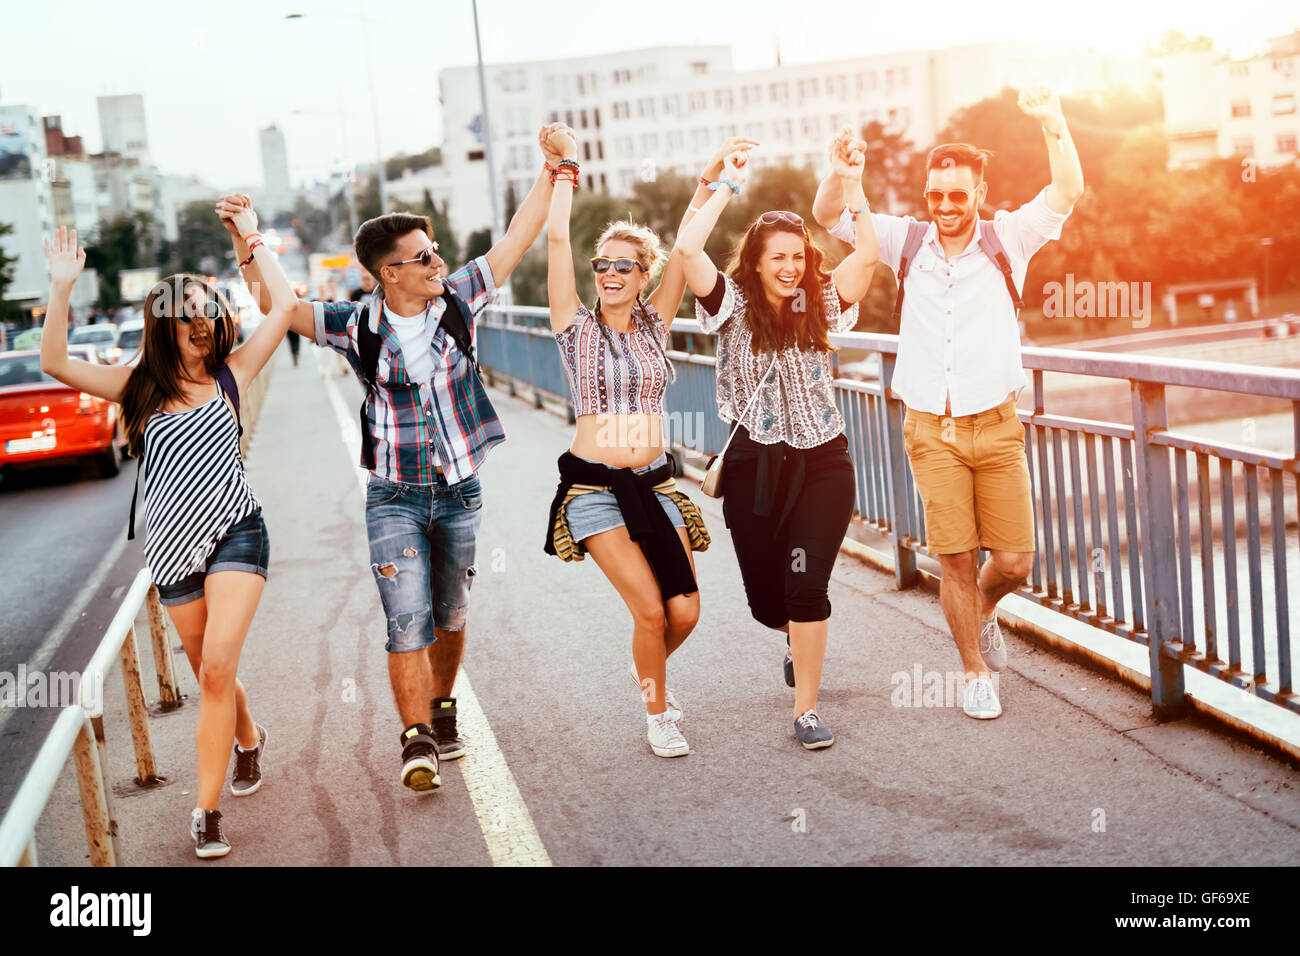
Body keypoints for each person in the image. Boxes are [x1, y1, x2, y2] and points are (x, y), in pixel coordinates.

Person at [219, 123, 559, 792]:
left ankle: (442, 705)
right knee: (406, 620)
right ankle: (417, 740)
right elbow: (275, 303)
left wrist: (554, 168)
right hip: (394, 496)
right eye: (424, 256)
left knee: (450, 616)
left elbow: (519, 237)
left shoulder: (460, 296)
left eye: (436, 252)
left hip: (459, 491)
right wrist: (246, 235)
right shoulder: (357, 326)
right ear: (389, 273)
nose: (438, 262)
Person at [812, 86, 1084, 719]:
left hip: (997, 425)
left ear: (978, 193)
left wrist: (1054, 122)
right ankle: (973, 673)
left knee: (1013, 562)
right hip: (931, 429)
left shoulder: (1009, 238)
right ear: (926, 194)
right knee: (956, 558)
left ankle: (983, 612)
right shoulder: (905, 241)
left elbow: (1067, 190)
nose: (946, 206)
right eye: (936, 195)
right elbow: (829, 215)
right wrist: (842, 171)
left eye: (958, 195)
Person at [41, 211, 299, 858]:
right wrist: (62, 285)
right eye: (186, 317)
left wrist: (252, 237)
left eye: (207, 311)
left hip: (238, 533)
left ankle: (205, 812)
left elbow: (286, 306)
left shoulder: (233, 373)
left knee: (215, 669)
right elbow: (53, 362)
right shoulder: (138, 389)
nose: (200, 324)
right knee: (212, 668)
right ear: (163, 327)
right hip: (173, 550)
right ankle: (248, 740)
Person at [543, 130, 753, 757]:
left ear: (643, 276)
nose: (609, 273)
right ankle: (658, 713)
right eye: (602, 264)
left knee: (684, 611)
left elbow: (688, 241)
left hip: (656, 485)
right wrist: (565, 169)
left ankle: (646, 669)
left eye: (623, 266)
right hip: (595, 491)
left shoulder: (657, 322)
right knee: (651, 613)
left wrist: (711, 180)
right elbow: (556, 239)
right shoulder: (573, 327)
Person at [675, 146, 879, 750]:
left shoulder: (821, 301)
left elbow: (867, 255)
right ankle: (791, 634)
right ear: (757, 263)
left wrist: (852, 184)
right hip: (753, 464)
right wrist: (727, 185)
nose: (790, 268)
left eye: (798, 256)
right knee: (769, 604)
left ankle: (806, 710)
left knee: (806, 587)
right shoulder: (730, 305)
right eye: (778, 258)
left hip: (822, 460)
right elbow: (687, 249)